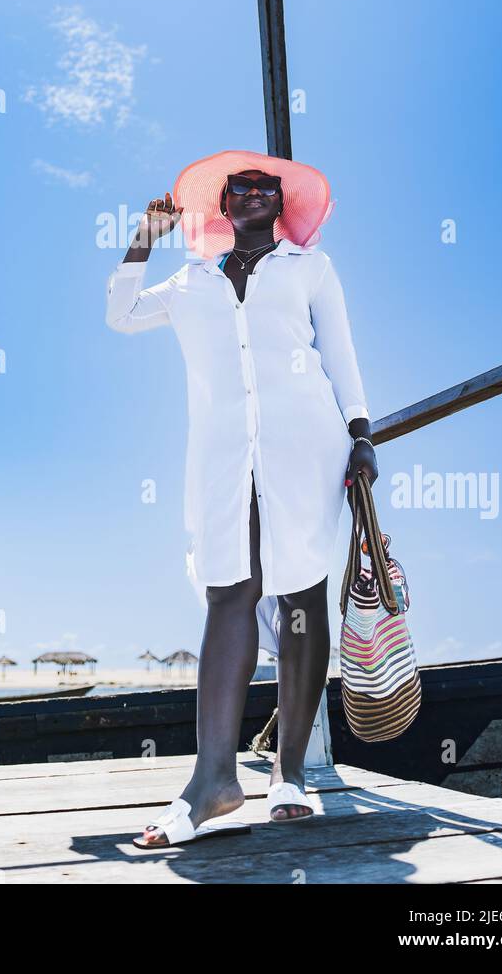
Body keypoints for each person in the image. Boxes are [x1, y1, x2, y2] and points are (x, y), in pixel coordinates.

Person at [105, 149, 378, 848]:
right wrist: (144, 238)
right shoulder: (190, 282)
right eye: (239, 187)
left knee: (300, 593)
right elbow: (122, 314)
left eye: (265, 185)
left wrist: (360, 434)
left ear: (280, 204)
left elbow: (340, 353)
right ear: (222, 208)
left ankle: (289, 774)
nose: (252, 192)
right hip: (224, 453)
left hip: (308, 444)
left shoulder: (311, 269)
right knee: (229, 588)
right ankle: (213, 781)